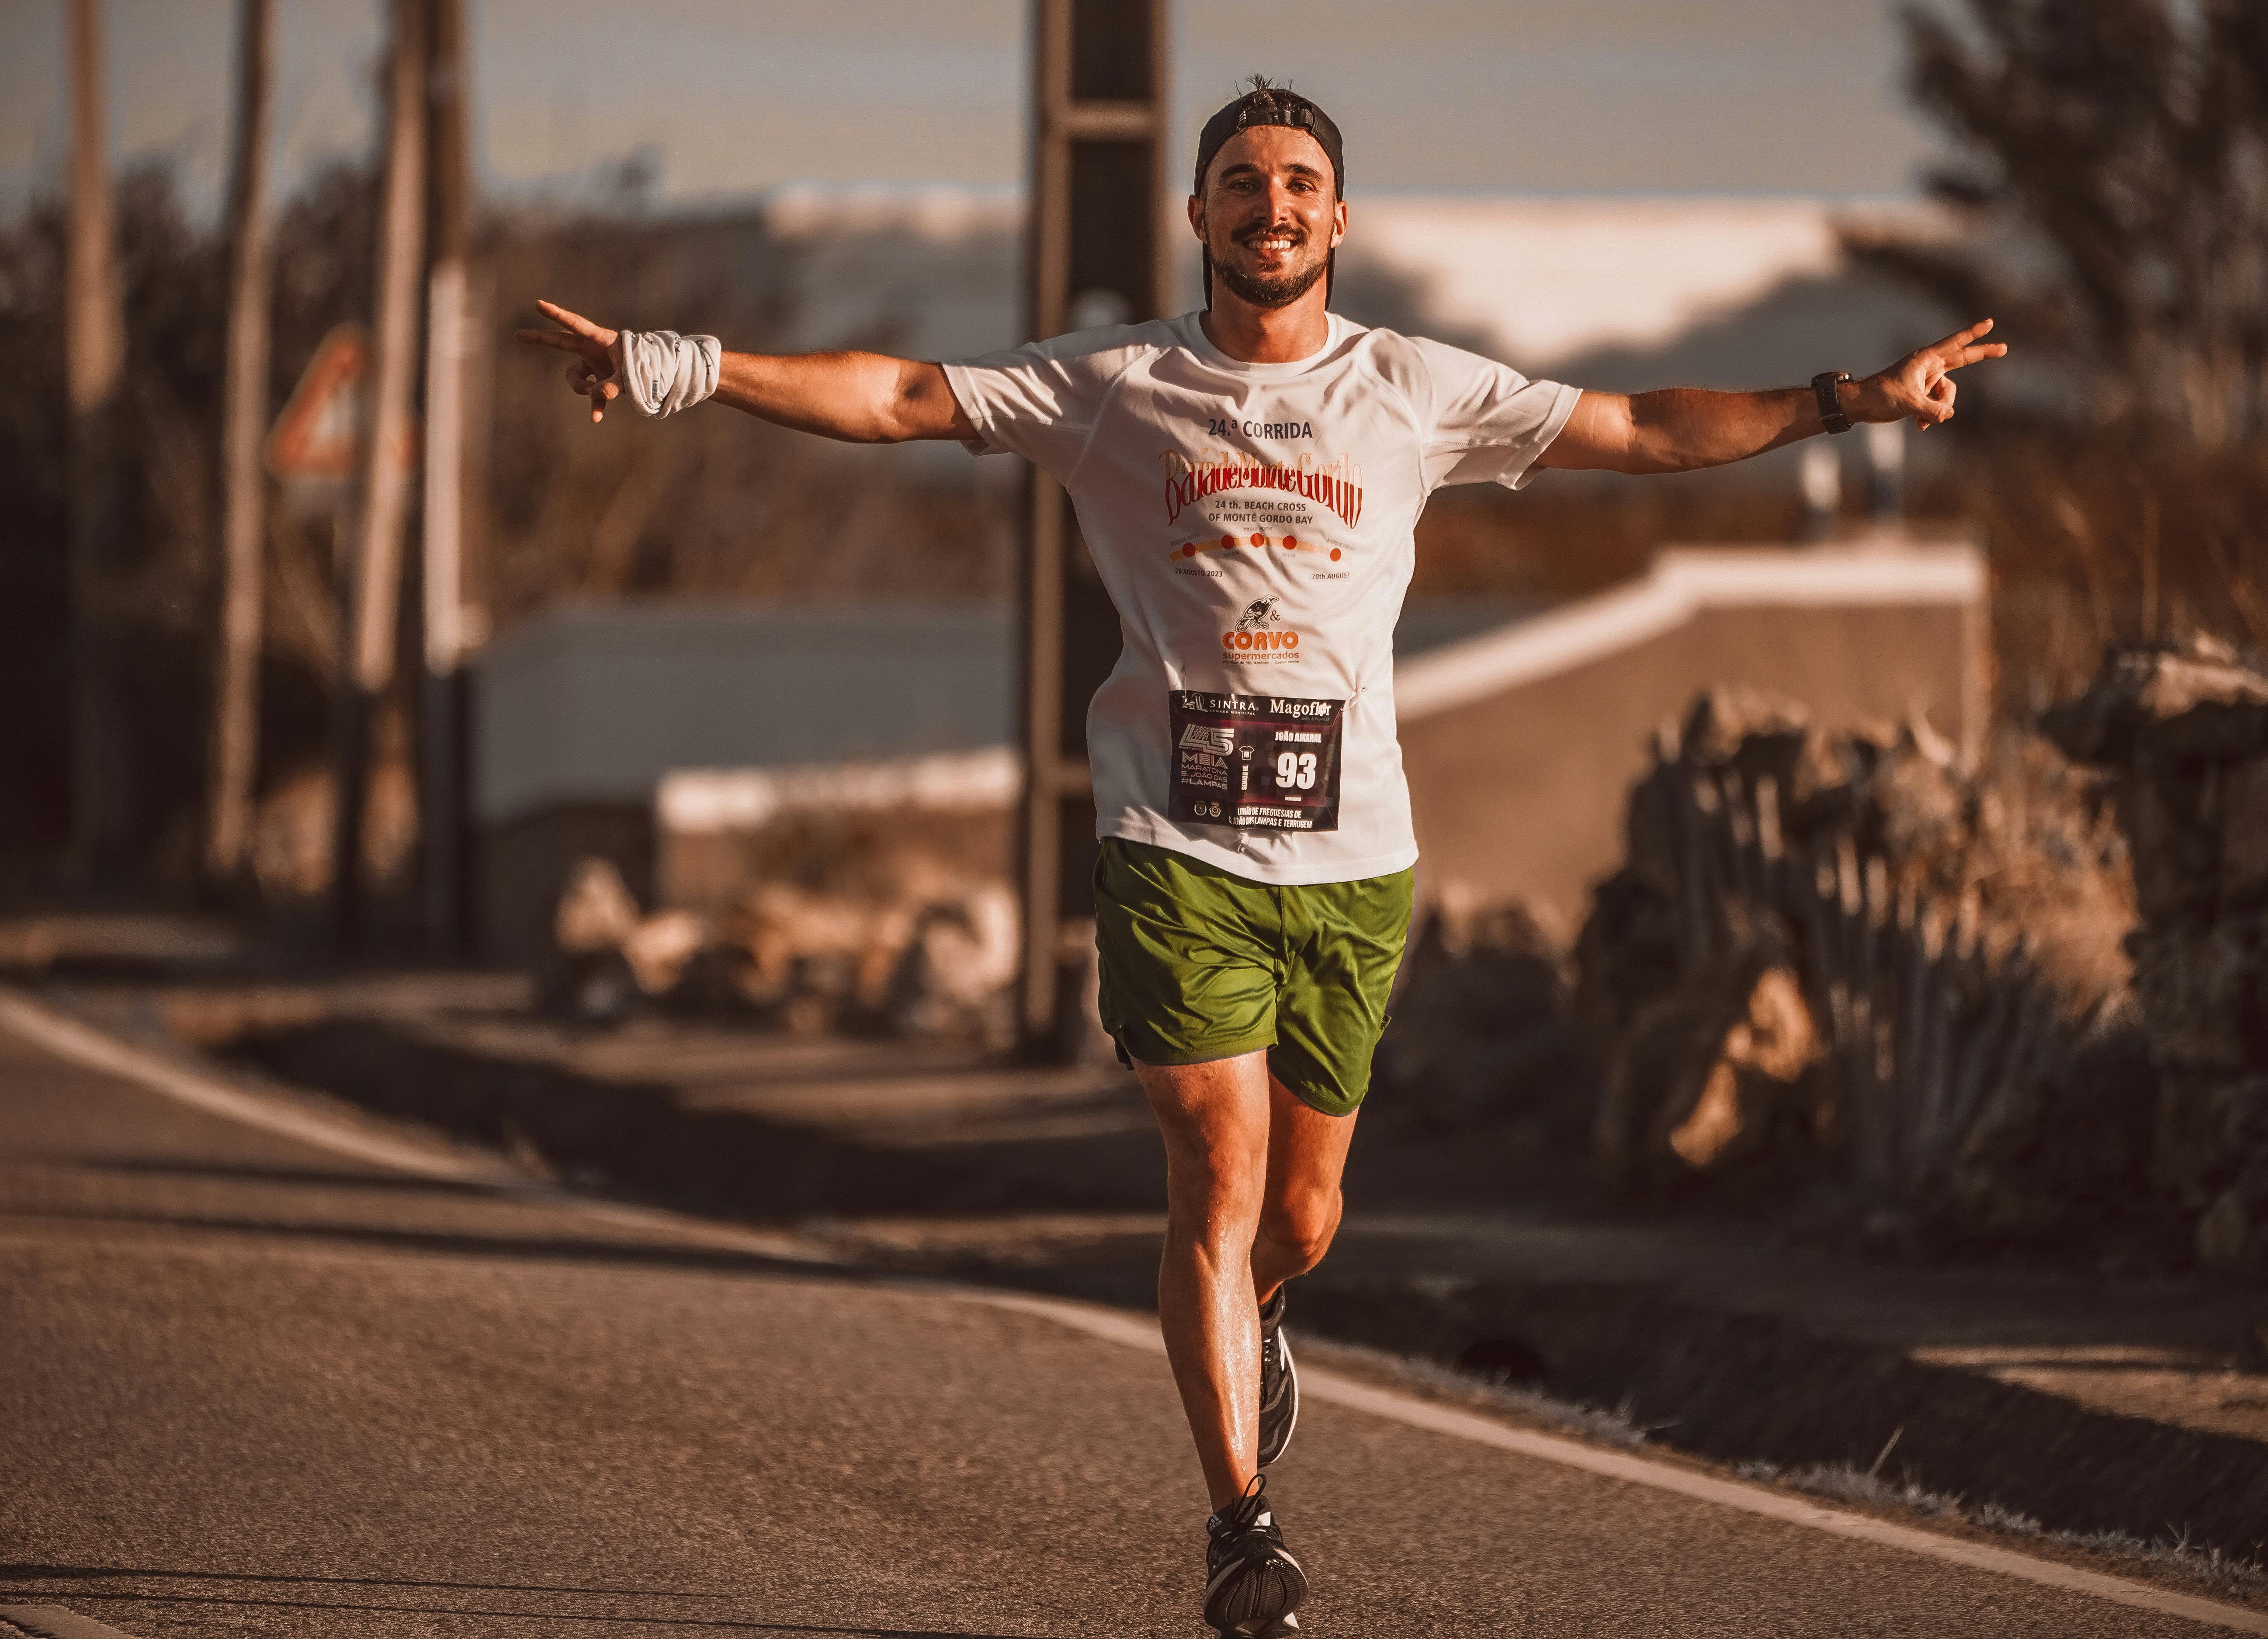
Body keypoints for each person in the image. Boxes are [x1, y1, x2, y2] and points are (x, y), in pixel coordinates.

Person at [519, 77, 2008, 1639]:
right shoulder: (1117, 383)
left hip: (1355, 864)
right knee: (1213, 1178)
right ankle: (1242, 1528)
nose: (1271, 205)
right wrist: (676, 365)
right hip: (1173, 848)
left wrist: (1850, 399)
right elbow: (897, 395)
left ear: (1338, 217)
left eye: (1299, 182)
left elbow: (1637, 430)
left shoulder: (1413, 388)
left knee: (1301, 1218)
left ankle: (1263, 1311)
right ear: (1199, 217)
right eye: (1241, 182)